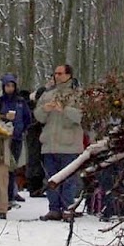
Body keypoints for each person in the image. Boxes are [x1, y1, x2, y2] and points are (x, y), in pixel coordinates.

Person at [36, 64, 84, 219]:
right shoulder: (47, 95)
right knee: (51, 179)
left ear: (69, 75)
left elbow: (82, 117)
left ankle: (68, 209)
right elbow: (38, 116)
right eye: (55, 73)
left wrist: (64, 109)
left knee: (69, 180)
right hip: (49, 145)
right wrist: (45, 109)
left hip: (70, 145)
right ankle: (54, 209)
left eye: (60, 73)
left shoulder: (78, 95)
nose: (57, 76)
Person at [0, 74, 33, 202]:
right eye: (7, 86)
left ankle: (11, 194)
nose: (10, 88)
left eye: (12, 86)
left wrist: (21, 130)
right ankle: (2, 195)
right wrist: (4, 118)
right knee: (2, 167)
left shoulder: (20, 102)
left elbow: (27, 118)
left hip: (16, 138)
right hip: (2, 139)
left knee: (12, 168)